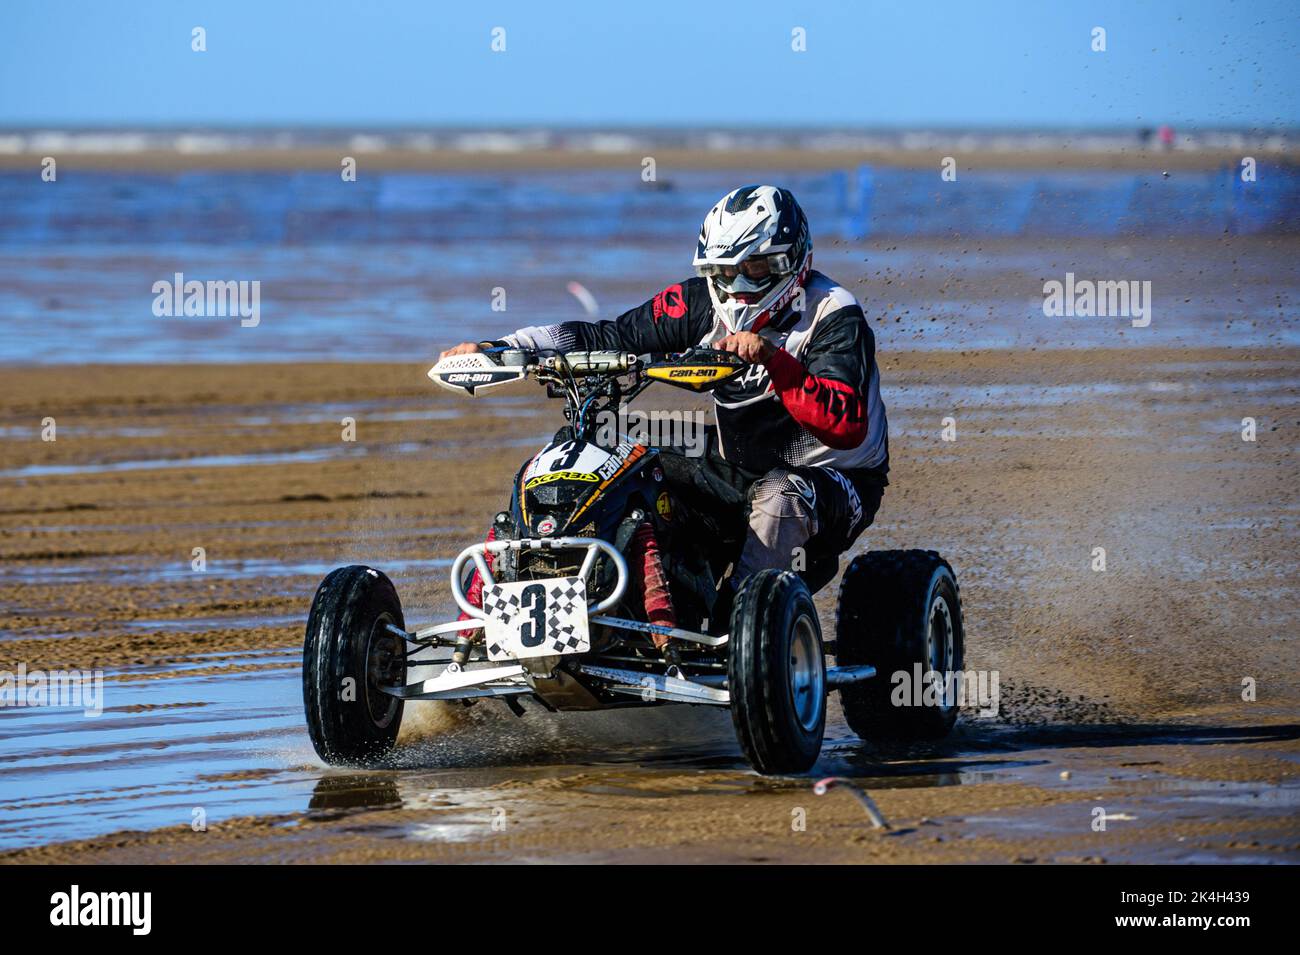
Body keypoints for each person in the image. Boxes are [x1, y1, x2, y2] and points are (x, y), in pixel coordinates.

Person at [440, 184, 889, 636]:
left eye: (754, 268)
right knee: (615, 451)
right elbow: (611, 337)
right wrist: (506, 346)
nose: (738, 287)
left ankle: (735, 637)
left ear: (791, 260)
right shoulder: (699, 301)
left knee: (780, 495)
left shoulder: (832, 312)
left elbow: (844, 424)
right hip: (736, 465)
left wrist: (775, 361)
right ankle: (542, 608)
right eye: (724, 271)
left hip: (836, 481)